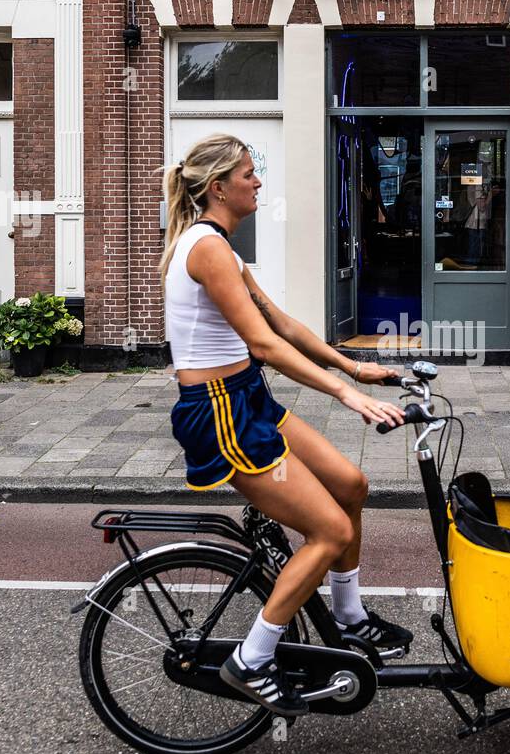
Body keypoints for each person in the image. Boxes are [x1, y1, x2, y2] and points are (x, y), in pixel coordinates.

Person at [159, 133, 411, 717]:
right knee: (331, 532)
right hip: (220, 412)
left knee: (351, 486)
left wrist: (354, 364)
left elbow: (286, 325)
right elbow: (264, 344)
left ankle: (349, 619)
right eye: (249, 173)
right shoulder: (206, 249)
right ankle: (251, 659)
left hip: (246, 396)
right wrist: (344, 394)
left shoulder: (220, 247)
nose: (258, 182)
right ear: (218, 186)